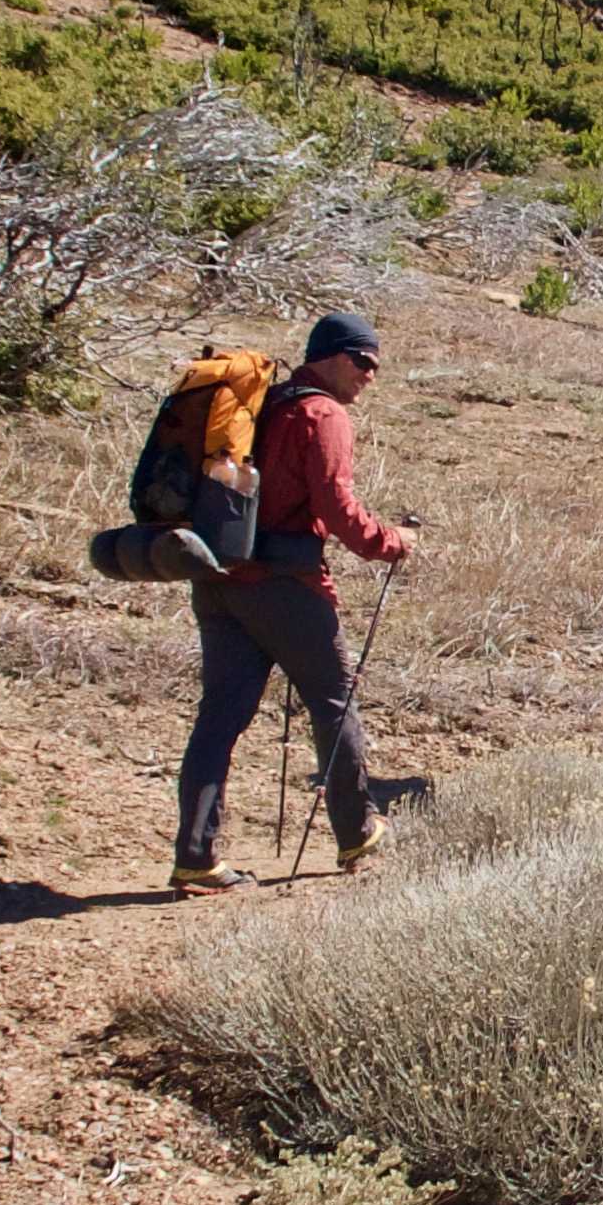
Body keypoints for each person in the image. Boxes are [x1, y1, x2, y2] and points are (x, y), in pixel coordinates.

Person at [171, 311, 411, 892]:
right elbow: (335, 505)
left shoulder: (267, 403)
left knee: (219, 719)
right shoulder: (321, 414)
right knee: (335, 702)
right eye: (364, 362)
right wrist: (391, 543)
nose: (370, 377)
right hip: (287, 589)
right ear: (330, 356)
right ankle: (357, 833)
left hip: (220, 579)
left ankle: (196, 858)